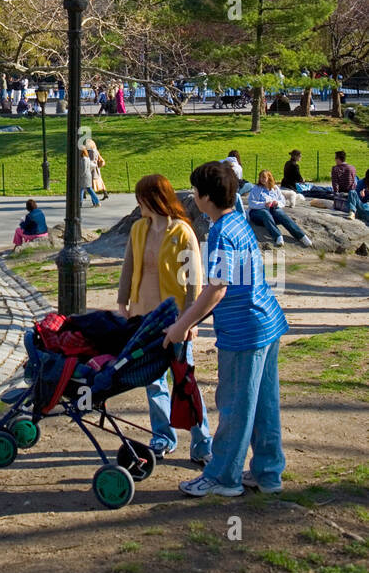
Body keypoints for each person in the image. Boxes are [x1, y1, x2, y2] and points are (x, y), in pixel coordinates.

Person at [164, 161, 288, 498]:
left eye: (194, 191)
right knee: (263, 403)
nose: (192, 195)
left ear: (205, 196)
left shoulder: (220, 231)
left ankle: (223, 477)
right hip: (267, 323)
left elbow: (217, 287)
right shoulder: (238, 220)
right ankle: (268, 472)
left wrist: (182, 325)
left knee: (234, 404)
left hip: (244, 331)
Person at [116, 174, 213, 465]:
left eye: (141, 197)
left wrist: (189, 321)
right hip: (144, 317)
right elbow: (128, 267)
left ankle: (202, 442)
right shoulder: (138, 229)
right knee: (153, 381)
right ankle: (163, 436)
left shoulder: (183, 232)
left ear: (155, 198)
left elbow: (194, 281)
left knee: (184, 381)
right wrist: (122, 302)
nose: (138, 203)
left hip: (176, 320)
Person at [246, 171, 313, 248]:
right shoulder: (256, 188)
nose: (262, 179)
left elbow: (282, 201)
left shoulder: (275, 188)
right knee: (265, 213)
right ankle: (278, 236)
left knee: (279, 212)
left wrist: (277, 203)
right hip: (257, 214)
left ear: (269, 178)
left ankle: (302, 236)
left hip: (272, 214)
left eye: (264, 177)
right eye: (260, 177)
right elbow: (251, 203)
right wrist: (263, 204)